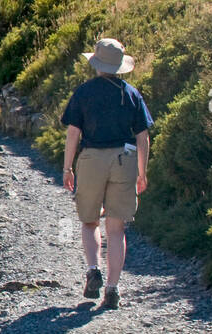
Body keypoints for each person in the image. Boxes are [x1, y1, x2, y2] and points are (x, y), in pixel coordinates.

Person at [61, 38, 154, 309]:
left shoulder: (83, 92)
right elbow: (143, 137)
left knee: (89, 221)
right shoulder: (131, 94)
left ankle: (93, 270)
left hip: (91, 160)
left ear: (97, 64)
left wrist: (68, 168)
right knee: (117, 228)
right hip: (124, 161)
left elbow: (73, 134)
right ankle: (112, 289)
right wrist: (142, 171)